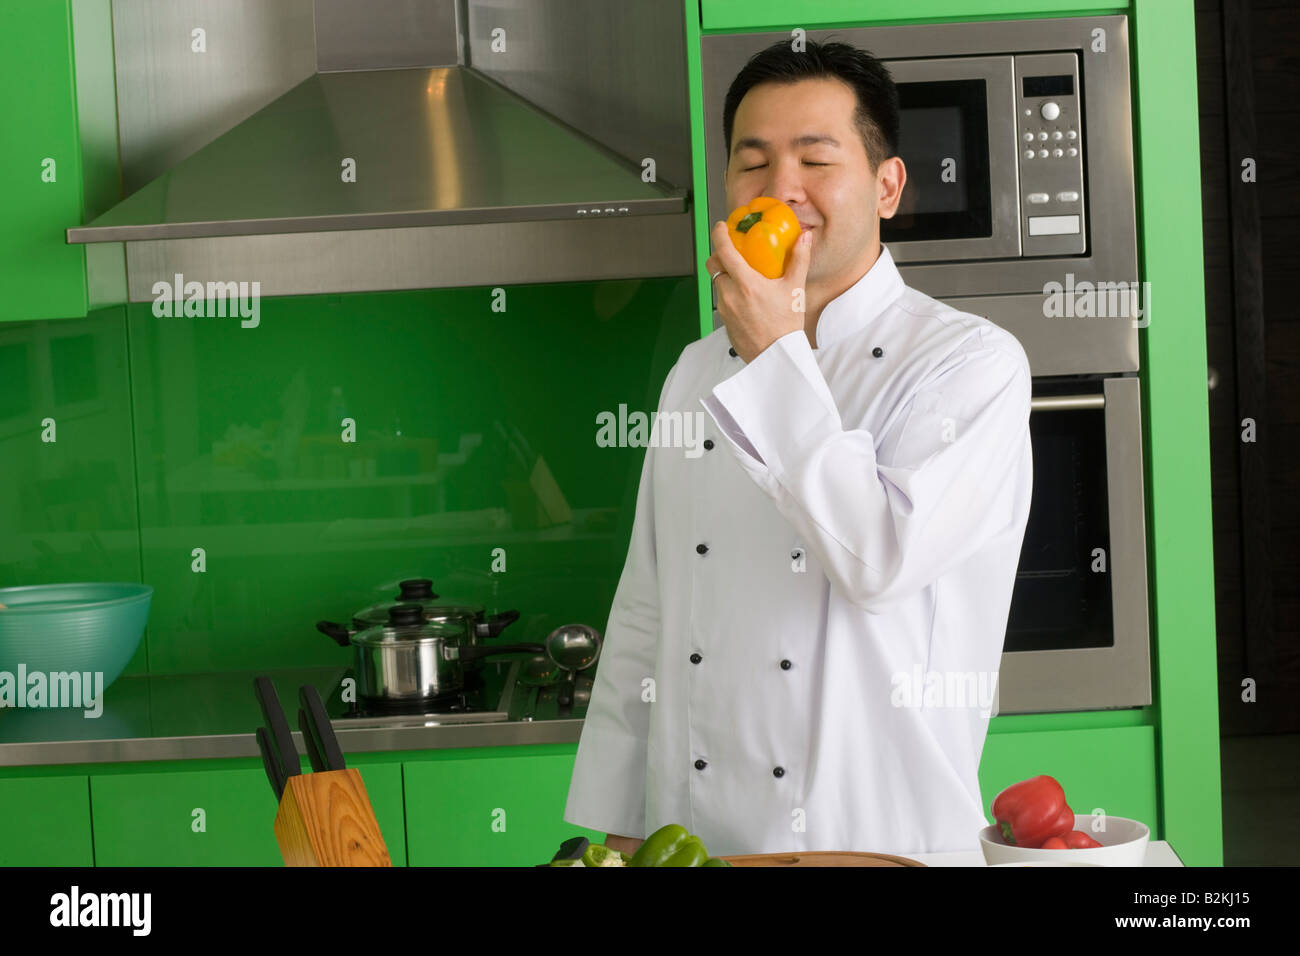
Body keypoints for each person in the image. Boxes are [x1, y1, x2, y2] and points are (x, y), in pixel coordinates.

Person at [564, 38, 1033, 858]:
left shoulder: (970, 364)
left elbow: (878, 557)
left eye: (816, 159)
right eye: (753, 164)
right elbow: (648, 605)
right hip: (695, 840)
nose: (782, 190)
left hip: (883, 839)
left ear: (887, 187)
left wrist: (777, 352)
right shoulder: (696, 370)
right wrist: (620, 829)